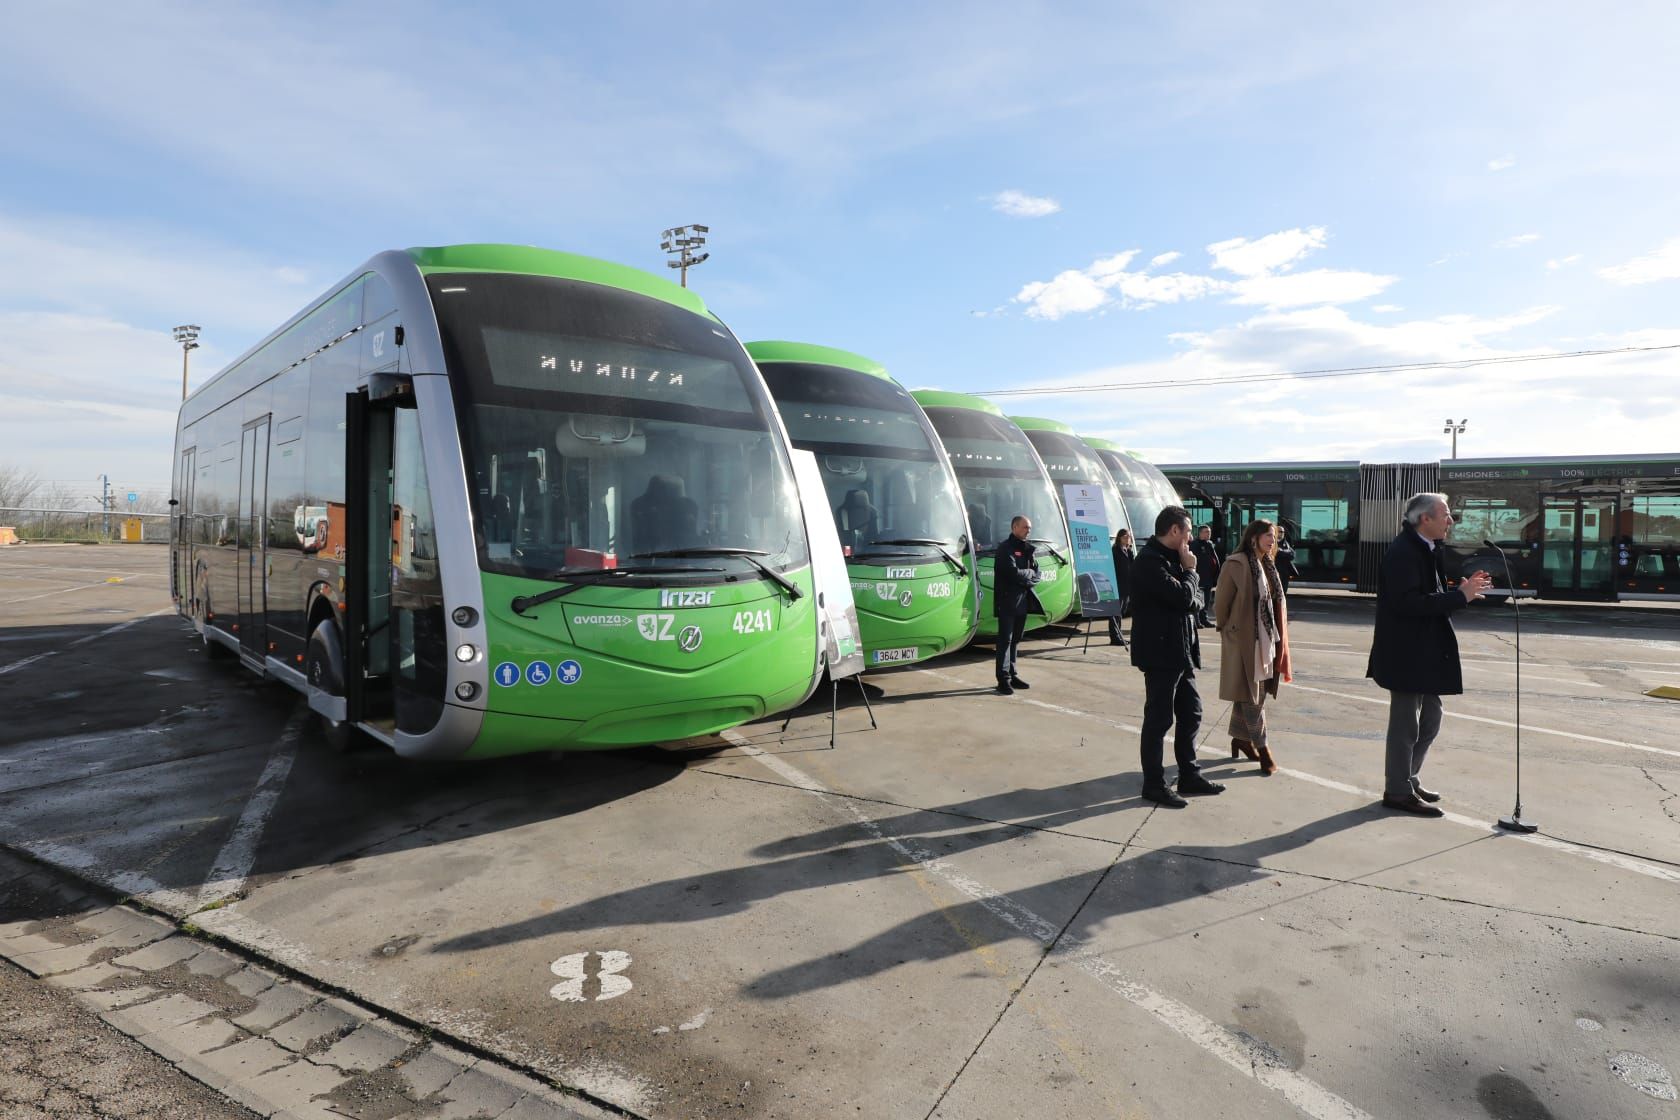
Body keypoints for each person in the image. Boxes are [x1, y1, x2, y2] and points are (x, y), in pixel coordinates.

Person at [1367, 492, 1491, 817]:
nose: (1451, 520)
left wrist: (1459, 594)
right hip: (1406, 653)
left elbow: (1428, 597)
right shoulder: (1403, 553)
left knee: (1431, 718)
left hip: (1424, 651)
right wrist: (1458, 598)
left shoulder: (1426, 548)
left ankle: (1408, 778)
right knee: (1405, 725)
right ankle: (1397, 790)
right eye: (1445, 515)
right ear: (1425, 519)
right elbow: (1407, 604)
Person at [1131, 506, 1225, 806]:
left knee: (1192, 712)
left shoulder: (1174, 560)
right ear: (1174, 531)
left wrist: (1188, 582)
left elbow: (1195, 604)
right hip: (1160, 653)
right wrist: (1191, 573)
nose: (1190, 537)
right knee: (1158, 719)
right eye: (1187, 531)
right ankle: (1154, 784)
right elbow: (1186, 598)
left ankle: (1189, 775)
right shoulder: (1149, 562)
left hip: (1180, 651)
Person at [1215, 519, 1293, 775]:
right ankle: (1264, 749)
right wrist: (1231, 632)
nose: (1273, 540)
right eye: (1268, 535)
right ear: (1253, 538)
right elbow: (1221, 604)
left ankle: (1241, 739)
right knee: (1252, 695)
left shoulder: (1268, 565)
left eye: (1274, 536)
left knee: (1252, 693)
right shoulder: (1235, 563)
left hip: (1267, 639)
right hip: (1245, 640)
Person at [992, 515, 1045, 696]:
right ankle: (1003, 679)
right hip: (1007, 601)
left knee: (1015, 640)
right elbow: (1012, 573)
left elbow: (1038, 574)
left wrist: (1028, 576)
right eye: (1025, 527)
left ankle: (1013, 674)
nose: (1028, 531)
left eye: (1029, 528)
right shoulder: (1004, 548)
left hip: (1023, 601)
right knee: (1005, 640)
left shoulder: (1028, 550)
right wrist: (1029, 574)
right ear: (1014, 527)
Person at [1189, 524, 1221, 627]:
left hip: (1209, 578)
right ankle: (1197, 621)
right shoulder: (1195, 545)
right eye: (1206, 532)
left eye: (1209, 532)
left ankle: (1204, 619)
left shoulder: (1210, 544)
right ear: (1200, 533)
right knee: (1199, 599)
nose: (1209, 534)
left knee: (1206, 600)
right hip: (1199, 577)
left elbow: (1214, 560)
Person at [1108, 527, 1135, 646]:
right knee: (1115, 613)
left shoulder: (1128, 551)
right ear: (1119, 538)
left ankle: (1119, 635)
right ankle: (1115, 638)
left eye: (1129, 537)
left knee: (1121, 613)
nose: (1128, 539)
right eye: (1125, 537)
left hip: (1127, 586)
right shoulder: (1114, 551)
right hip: (1117, 585)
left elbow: (1134, 566)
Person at [1275, 526, 1300, 597]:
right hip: (1275, 571)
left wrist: (1281, 551)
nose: (1281, 533)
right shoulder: (1272, 542)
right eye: (1279, 531)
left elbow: (1292, 555)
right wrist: (1284, 553)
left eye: (1282, 532)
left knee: (1283, 593)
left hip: (1284, 573)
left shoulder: (1286, 543)